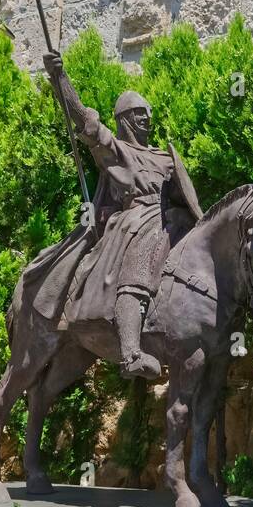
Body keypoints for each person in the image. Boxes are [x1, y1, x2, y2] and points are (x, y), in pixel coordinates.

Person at [38, 50, 202, 379]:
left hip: (171, 219)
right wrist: (61, 81)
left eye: (149, 113)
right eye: (139, 114)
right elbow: (84, 120)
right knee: (149, 235)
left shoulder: (163, 156)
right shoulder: (117, 150)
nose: (147, 119)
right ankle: (130, 353)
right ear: (125, 119)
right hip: (137, 220)